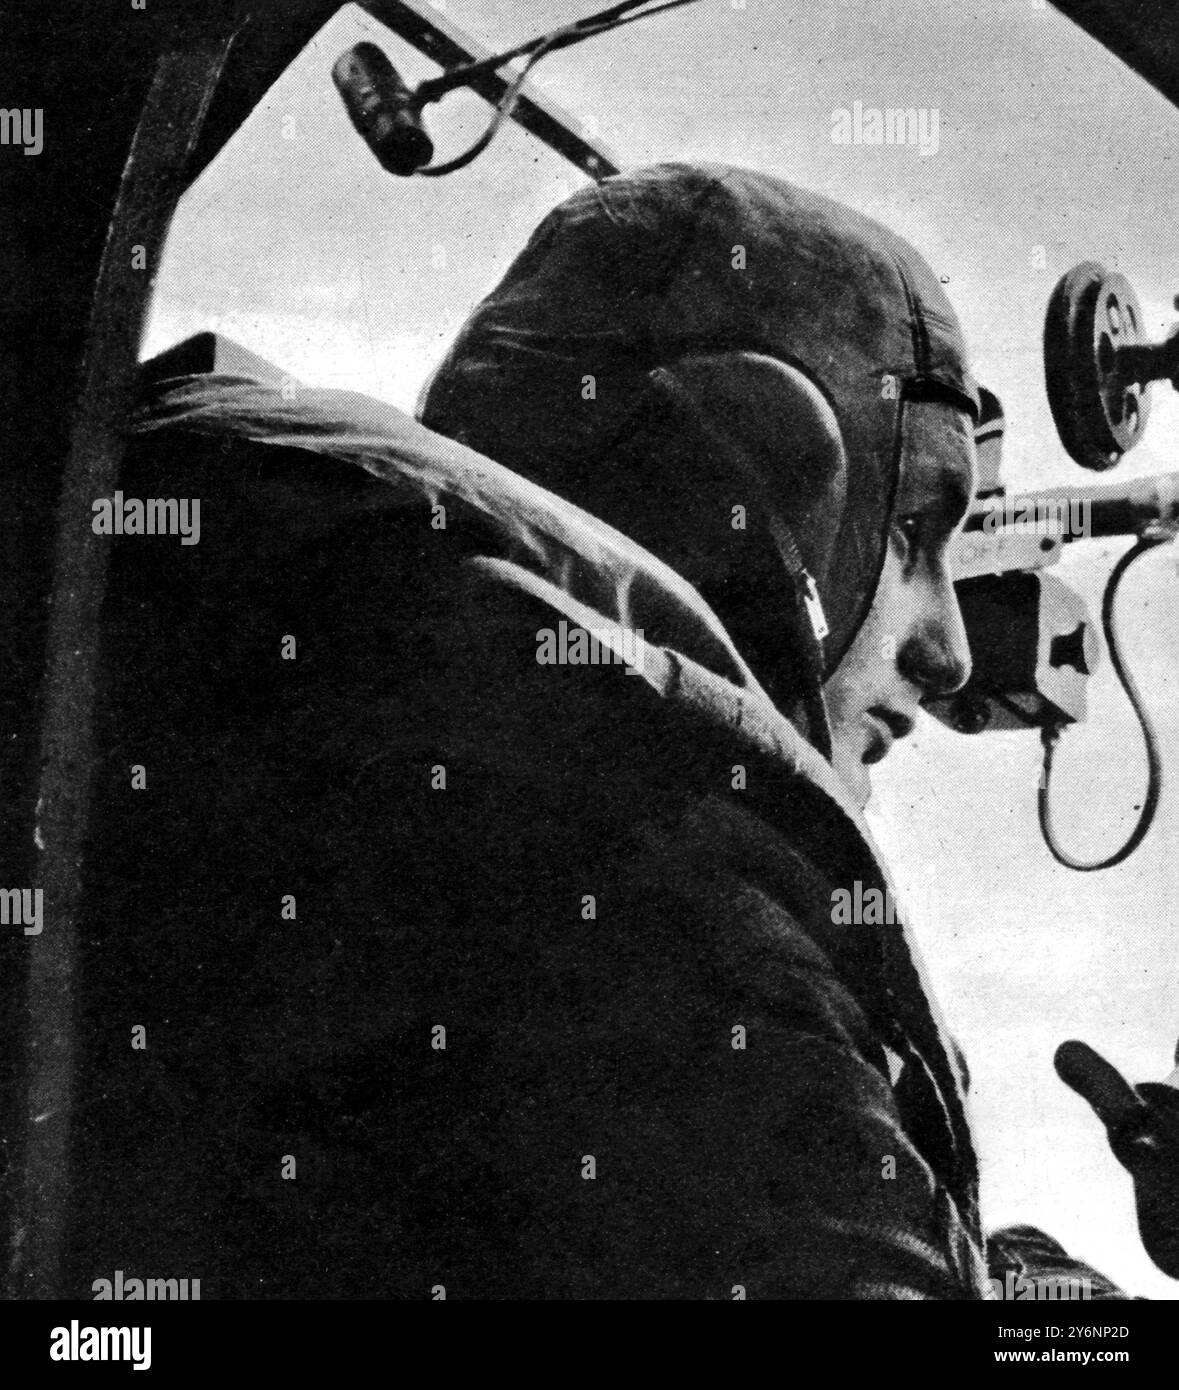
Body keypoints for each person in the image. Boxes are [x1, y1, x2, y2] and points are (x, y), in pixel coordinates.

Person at [86, 161, 1132, 1298]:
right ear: (771, 460)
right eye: (913, 530)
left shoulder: (294, 711)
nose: (950, 653)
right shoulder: (661, 880)